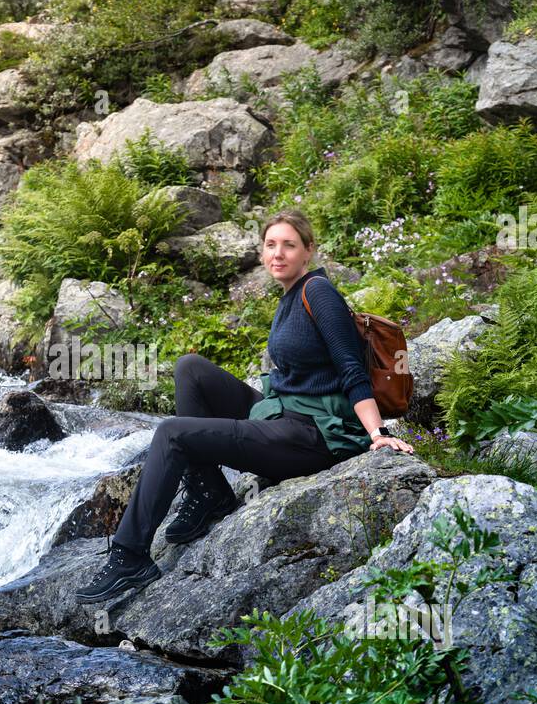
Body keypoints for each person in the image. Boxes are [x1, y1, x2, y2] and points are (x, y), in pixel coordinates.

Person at [75, 208, 415, 604]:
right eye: (271, 245)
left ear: (308, 251)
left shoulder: (318, 293)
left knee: (171, 432)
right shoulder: (290, 296)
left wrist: (378, 434)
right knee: (191, 369)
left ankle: (130, 555)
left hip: (312, 435)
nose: (278, 253)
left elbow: (350, 367)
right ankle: (209, 494)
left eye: (289, 245)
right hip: (281, 413)